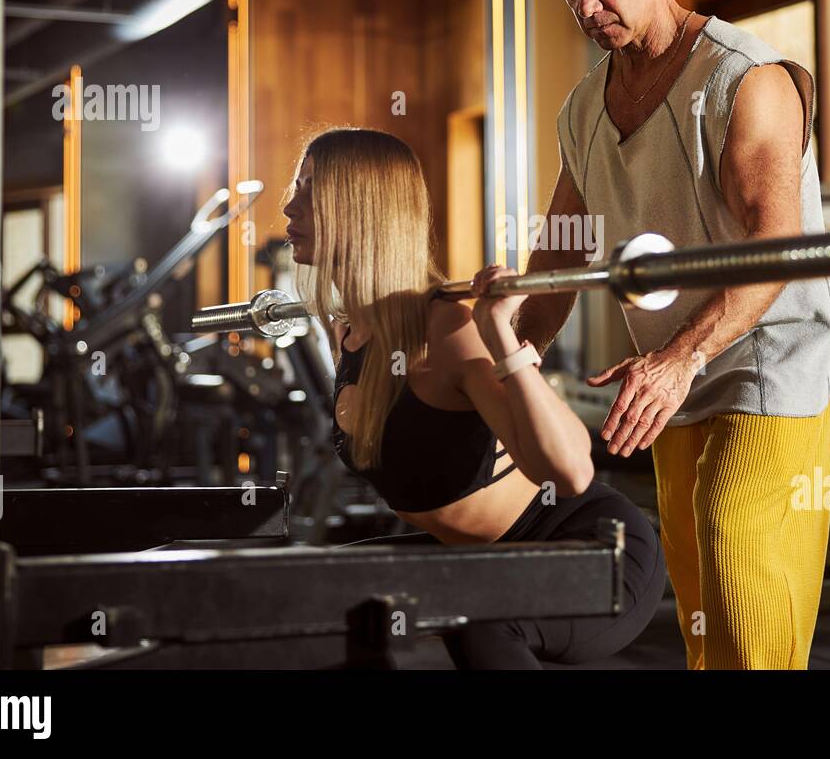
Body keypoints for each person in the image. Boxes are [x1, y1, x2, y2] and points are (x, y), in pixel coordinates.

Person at [514, 0, 830, 669]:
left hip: (765, 366)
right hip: (668, 377)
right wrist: (505, 364)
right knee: (701, 609)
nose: (587, 7)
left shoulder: (745, 79)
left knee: (738, 555)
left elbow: (776, 248)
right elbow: (561, 253)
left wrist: (680, 358)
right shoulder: (583, 109)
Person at [281, 126, 666, 669]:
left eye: (310, 190)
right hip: (481, 558)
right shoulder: (347, 329)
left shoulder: (448, 329)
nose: (288, 206)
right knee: (328, 587)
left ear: (362, 209)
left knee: (481, 621)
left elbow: (572, 474)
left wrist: (500, 335)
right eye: (296, 187)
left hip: (589, 552)